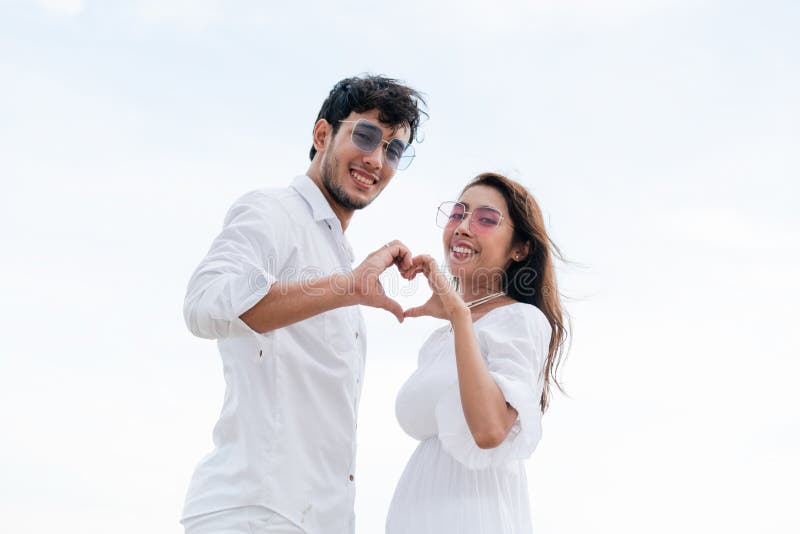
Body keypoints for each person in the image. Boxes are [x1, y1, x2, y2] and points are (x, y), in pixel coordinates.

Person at [180, 75, 426, 534]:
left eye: (394, 150)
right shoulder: (272, 211)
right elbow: (204, 301)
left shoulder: (337, 256)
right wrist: (348, 287)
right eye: (366, 136)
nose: (376, 159)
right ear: (322, 135)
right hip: (255, 512)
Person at [386, 172, 568, 534]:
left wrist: (458, 313)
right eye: (458, 214)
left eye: (486, 219)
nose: (464, 227)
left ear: (520, 248)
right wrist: (459, 319)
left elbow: (488, 430)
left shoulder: (520, 319)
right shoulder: (443, 338)